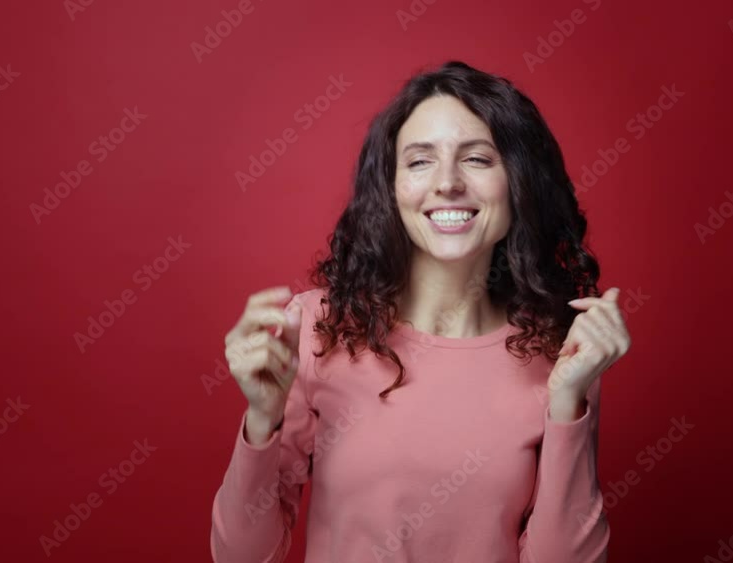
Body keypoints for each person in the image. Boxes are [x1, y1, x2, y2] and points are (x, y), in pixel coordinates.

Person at [211, 60, 631, 563]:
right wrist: (263, 419)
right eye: (419, 161)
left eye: (477, 159)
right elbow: (240, 556)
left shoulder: (563, 352)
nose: (448, 183)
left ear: (519, 182)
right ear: (390, 188)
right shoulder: (316, 328)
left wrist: (568, 405)